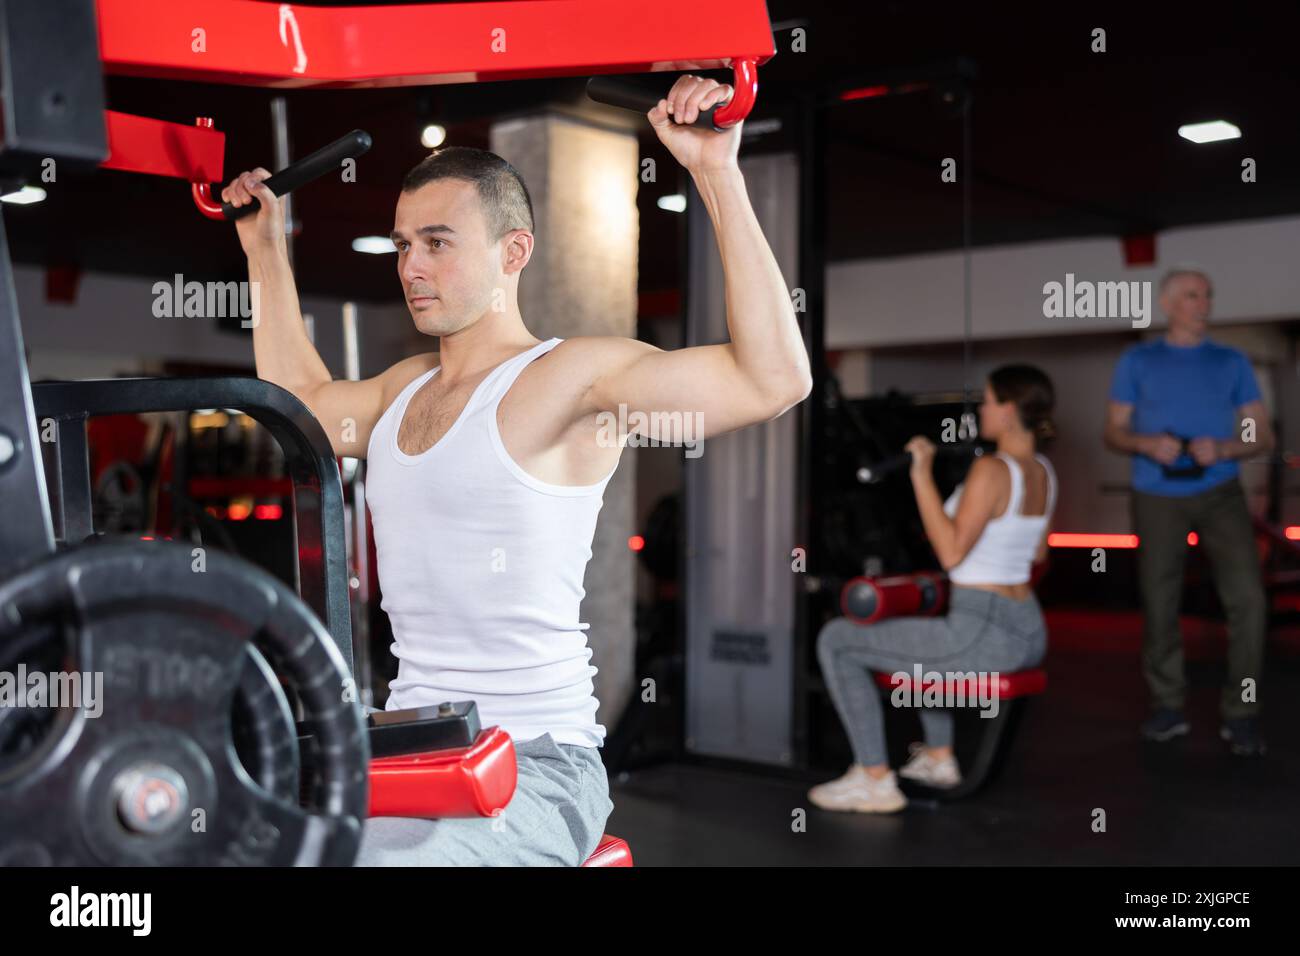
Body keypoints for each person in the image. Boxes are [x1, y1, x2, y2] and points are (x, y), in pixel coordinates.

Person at [222, 75, 812, 863]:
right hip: (407, 746)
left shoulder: (573, 380)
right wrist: (265, 248)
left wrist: (714, 171)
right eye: (403, 245)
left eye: (437, 242)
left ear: (514, 252)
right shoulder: (403, 389)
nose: (412, 266)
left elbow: (772, 380)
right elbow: (298, 406)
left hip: (537, 764)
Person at [810, 366, 1057, 813]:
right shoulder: (1041, 472)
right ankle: (939, 758)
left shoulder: (991, 468)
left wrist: (921, 472)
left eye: (987, 401)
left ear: (1008, 408)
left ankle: (873, 778)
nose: (982, 409)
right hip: (1028, 628)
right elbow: (1037, 556)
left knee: (837, 640)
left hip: (982, 629)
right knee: (920, 645)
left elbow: (950, 554)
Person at [1103, 268, 1272, 757]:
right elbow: (1112, 432)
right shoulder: (1137, 359)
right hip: (1156, 495)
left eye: (1208, 295)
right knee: (1160, 602)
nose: (1205, 303)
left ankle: (1242, 712)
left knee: (1249, 600)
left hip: (1221, 493)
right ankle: (1167, 707)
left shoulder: (1231, 361)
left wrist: (1222, 447)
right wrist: (1144, 442)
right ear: (1167, 303)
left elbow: (1259, 435)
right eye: (1194, 295)